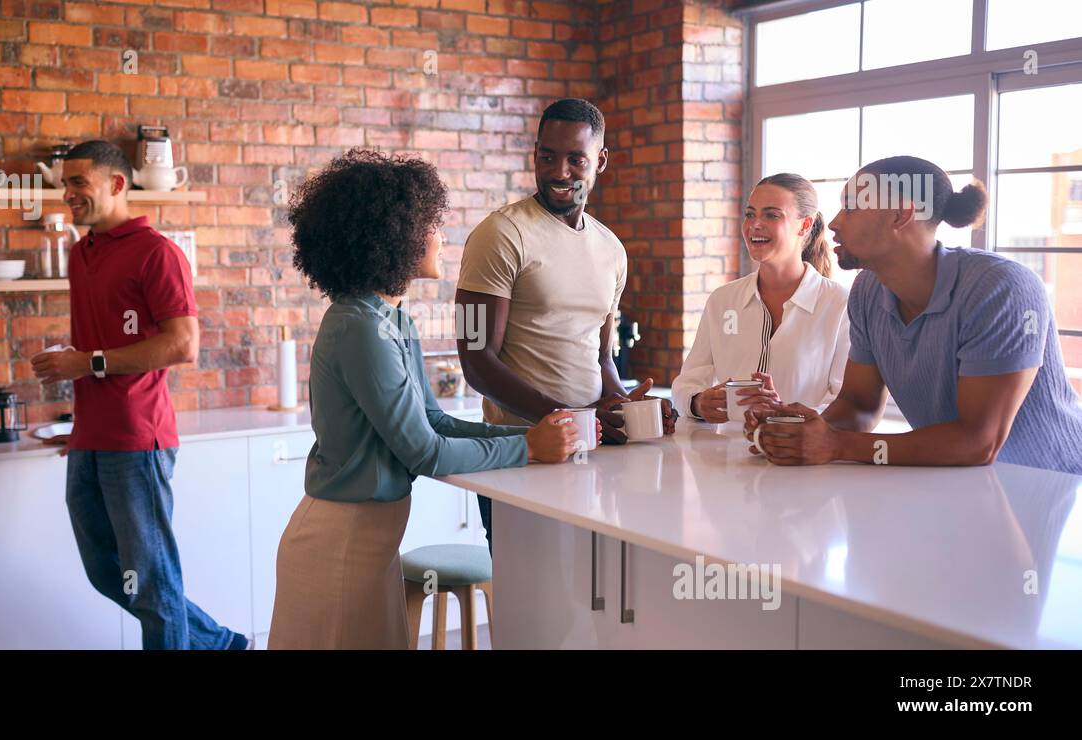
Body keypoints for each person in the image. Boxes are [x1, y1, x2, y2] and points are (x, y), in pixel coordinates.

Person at [269, 149, 580, 649]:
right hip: (338, 545)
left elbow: (435, 421)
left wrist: (531, 435)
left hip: (371, 544)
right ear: (392, 234)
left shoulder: (393, 321)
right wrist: (530, 449)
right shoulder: (358, 327)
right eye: (430, 224)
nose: (440, 236)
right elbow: (425, 451)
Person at [30, 141, 248, 649]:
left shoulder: (157, 252)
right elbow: (105, 338)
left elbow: (182, 344)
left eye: (78, 182)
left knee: (151, 584)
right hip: (89, 437)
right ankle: (221, 644)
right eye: (65, 184)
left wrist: (87, 363)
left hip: (137, 438)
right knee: (107, 573)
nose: (68, 194)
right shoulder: (80, 252)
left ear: (117, 184)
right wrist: (78, 386)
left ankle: (219, 645)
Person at [746, 155, 1082, 474]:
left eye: (850, 207)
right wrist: (792, 431)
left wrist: (838, 445)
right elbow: (858, 404)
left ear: (900, 215)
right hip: (955, 486)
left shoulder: (1002, 288)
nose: (834, 222)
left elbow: (978, 443)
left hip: (1053, 492)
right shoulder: (867, 291)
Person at [455, 98, 675, 548]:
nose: (560, 172)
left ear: (601, 161)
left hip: (592, 456)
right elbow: (476, 360)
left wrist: (623, 406)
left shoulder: (612, 249)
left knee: (586, 599)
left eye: (576, 159)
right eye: (547, 156)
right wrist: (572, 419)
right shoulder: (499, 235)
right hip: (520, 453)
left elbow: (600, 356)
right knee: (534, 602)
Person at [673, 173, 850, 423]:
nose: (755, 224)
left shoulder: (840, 305)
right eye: (750, 214)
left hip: (802, 458)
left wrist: (788, 415)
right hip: (726, 459)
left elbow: (846, 404)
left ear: (805, 225)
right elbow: (686, 384)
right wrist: (698, 402)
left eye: (771, 214)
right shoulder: (722, 301)